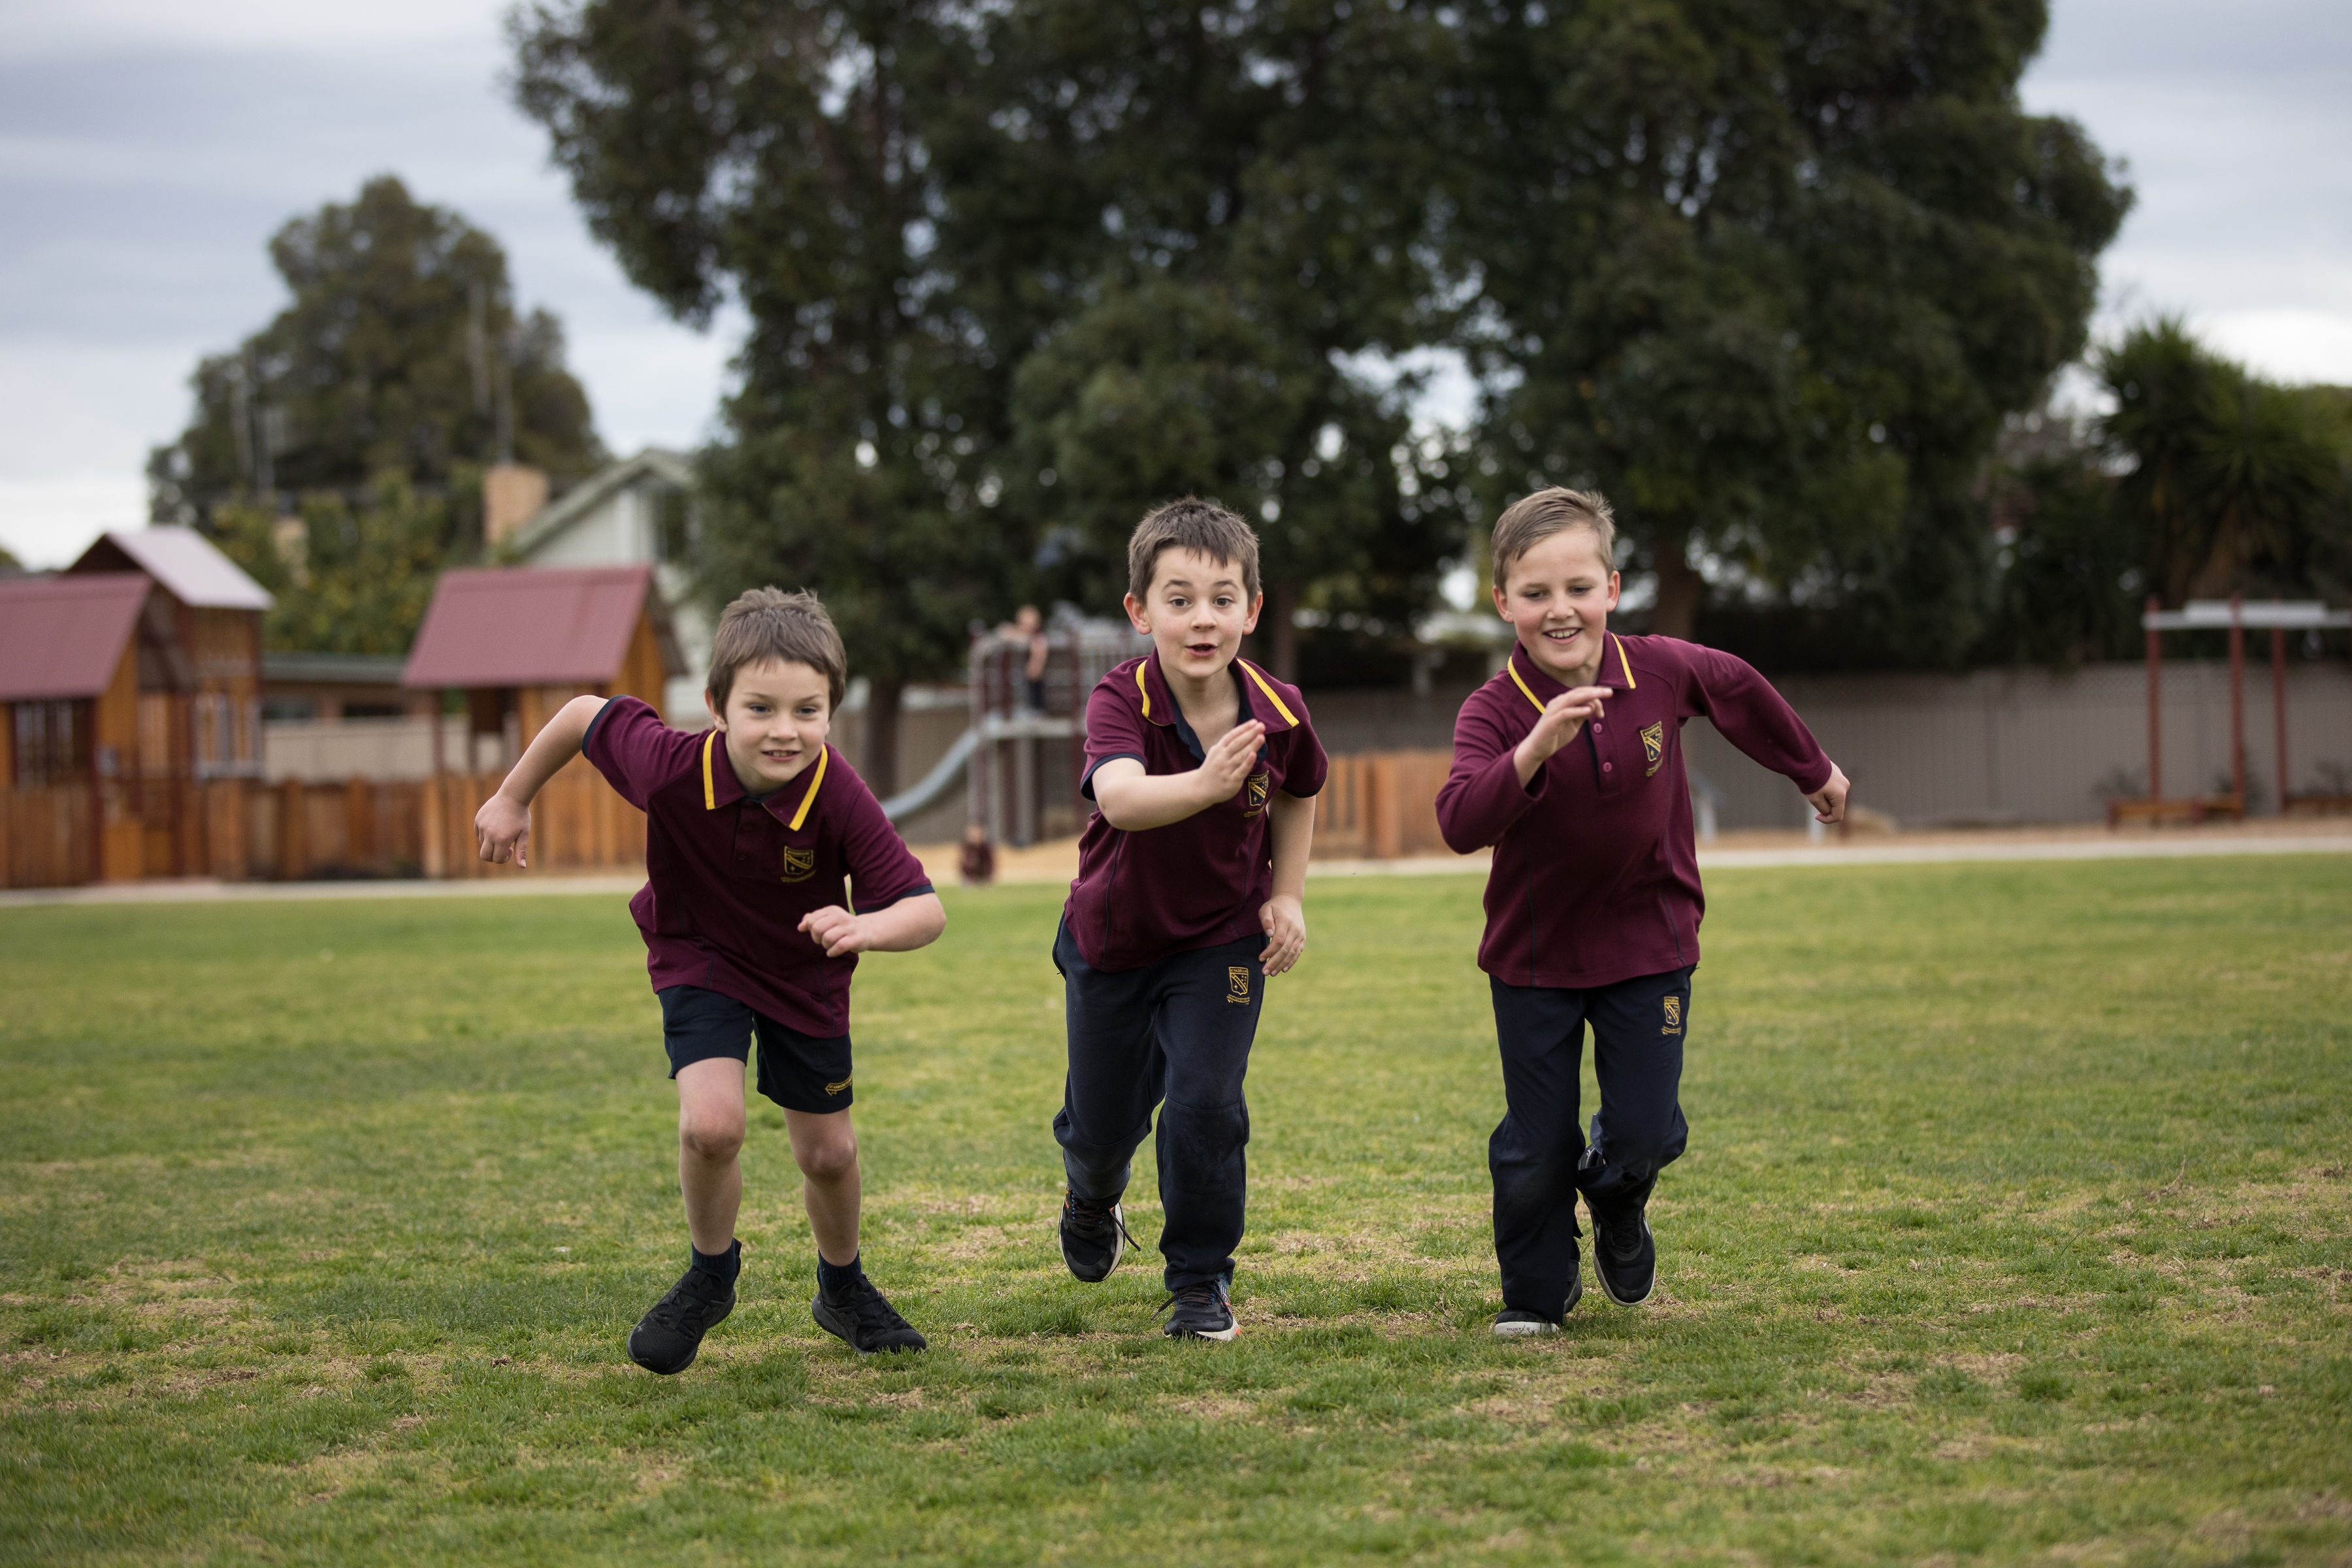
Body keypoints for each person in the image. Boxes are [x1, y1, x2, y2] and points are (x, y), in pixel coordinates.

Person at [472, 587, 947, 1372]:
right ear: (716, 706)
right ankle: (709, 1274)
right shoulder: (667, 764)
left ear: (832, 710)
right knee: (711, 1127)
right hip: (701, 958)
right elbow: (582, 714)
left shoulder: (839, 794)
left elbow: (925, 911)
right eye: (761, 708)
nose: (785, 731)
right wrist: (512, 797)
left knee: (828, 1154)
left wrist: (865, 928)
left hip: (804, 976)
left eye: (808, 711)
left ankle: (844, 1288)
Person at [1435, 489, 1848, 1336]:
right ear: (1502, 601)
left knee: (1646, 1130)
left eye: (1579, 587)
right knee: (1537, 1141)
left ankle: (1620, 1204)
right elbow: (1458, 821)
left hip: (1651, 943)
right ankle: (1535, 1295)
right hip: (1536, 957)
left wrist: (1811, 769)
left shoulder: (1658, 669)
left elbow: (1737, 686)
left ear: (1614, 588)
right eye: (1536, 593)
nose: (1560, 610)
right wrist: (1534, 748)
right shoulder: (1493, 709)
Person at [1051, 498, 1327, 1341]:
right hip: (1114, 940)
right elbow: (1123, 800)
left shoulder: (1279, 710)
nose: (1201, 618)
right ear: (1141, 612)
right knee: (1102, 1129)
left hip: (1221, 943)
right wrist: (1208, 783)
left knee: (1207, 1103)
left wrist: (1286, 894)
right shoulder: (1118, 697)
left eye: (1221, 598)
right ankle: (1093, 1193)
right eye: (1179, 599)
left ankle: (1200, 1280)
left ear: (1252, 608)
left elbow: (1301, 789)